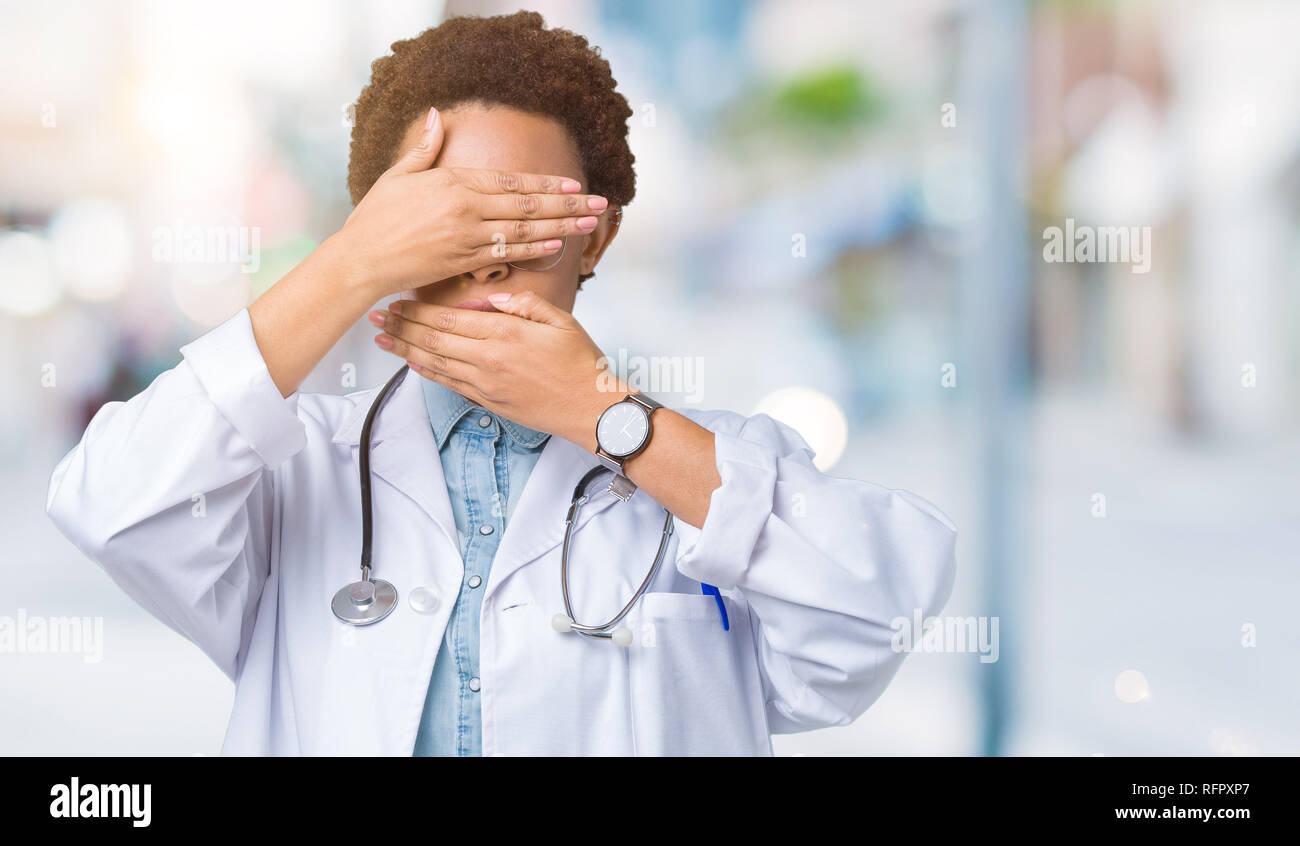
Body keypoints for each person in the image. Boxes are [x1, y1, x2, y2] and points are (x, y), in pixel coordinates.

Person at [46, 11, 957, 756]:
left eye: (523, 215)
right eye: (445, 220)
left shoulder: (712, 467)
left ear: (594, 238)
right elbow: (110, 502)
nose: (485, 257)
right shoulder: (299, 471)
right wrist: (347, 264)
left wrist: (607, 418)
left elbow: (870, 618)